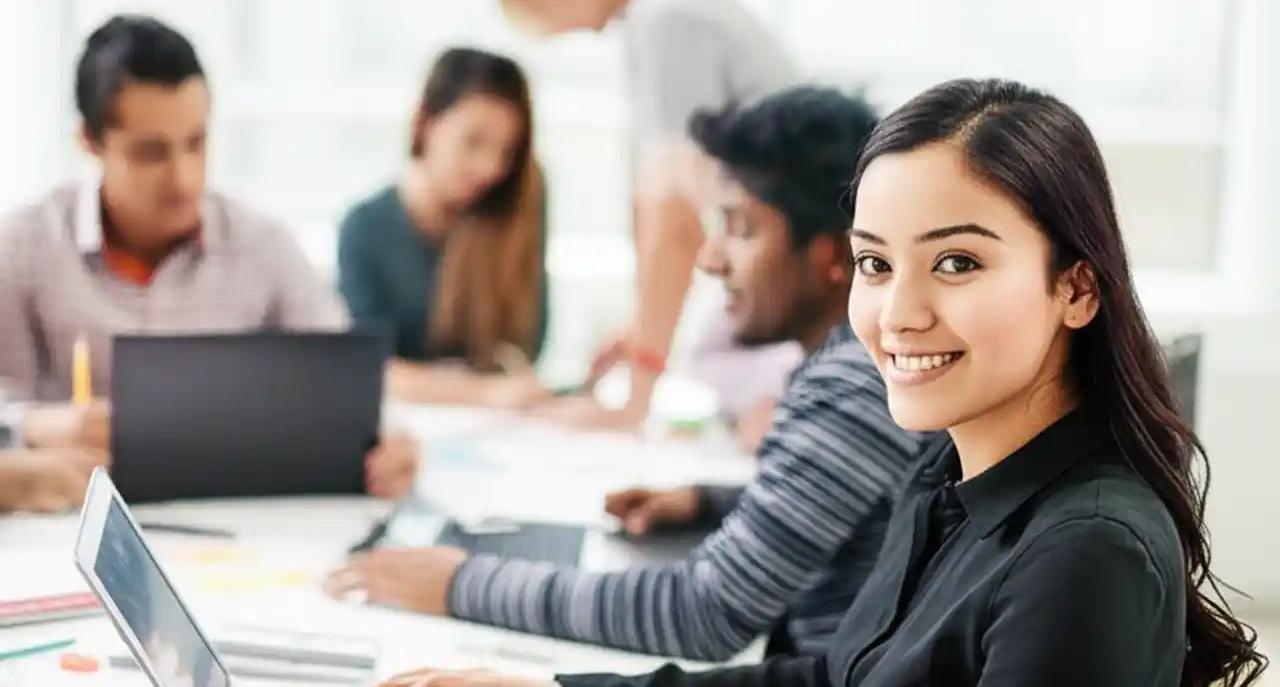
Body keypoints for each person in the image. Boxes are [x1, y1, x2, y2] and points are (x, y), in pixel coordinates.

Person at [372, 79, 1271, 687]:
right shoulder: (945, 477)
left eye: (957, 262)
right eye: (876, 265)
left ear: (1076, 286)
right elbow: (831, 676)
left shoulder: (1087, 553)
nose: (899, 314)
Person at [327, 87, 933, 661]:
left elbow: (705, 613)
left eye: (741, 228)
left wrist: (462, 583)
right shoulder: (852, 364)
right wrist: (711, 503)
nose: (711, 257)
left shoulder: (851, 386)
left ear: (832, 255)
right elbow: (857, 512)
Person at [0, 15, 416, 502]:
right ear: (89, 142)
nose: (185, 178)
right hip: (72, 522)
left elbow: (347, 393)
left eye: (197, 143)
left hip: (241, 524)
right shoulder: (26, 244)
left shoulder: (263, 243)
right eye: (151, 153)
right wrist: (35, 424)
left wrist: (388, 447)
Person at [491, 0, 804, 441]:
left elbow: (674, 220)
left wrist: (635, 397)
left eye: (553, 18)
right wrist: (641, 330)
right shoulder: (665, 5)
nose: (580, 33)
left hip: (800, 279)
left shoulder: (666, 19)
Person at [339, 48, 550, 410]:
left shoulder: (512, 215)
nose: (489, 168)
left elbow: (525, 350)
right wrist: (483, 393)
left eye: (506, 151)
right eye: (473, 142)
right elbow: (368, 368)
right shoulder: (366, 227)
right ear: (425, 123)